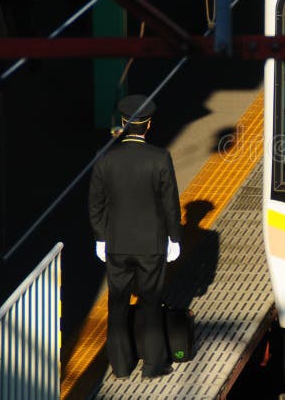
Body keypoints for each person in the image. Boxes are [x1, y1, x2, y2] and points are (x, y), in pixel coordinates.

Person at [89, 95, 182, 379]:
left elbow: (96, 203)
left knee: (116, 304)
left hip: (117, 244)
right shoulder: (160, 158)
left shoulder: (106, 160)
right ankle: (153, 365)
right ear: (148, 125)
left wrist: (101, 237)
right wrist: (174, 238)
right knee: (151, 303)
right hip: (151, 245)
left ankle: (120, 365)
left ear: (122, 124)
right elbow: (170, 204)